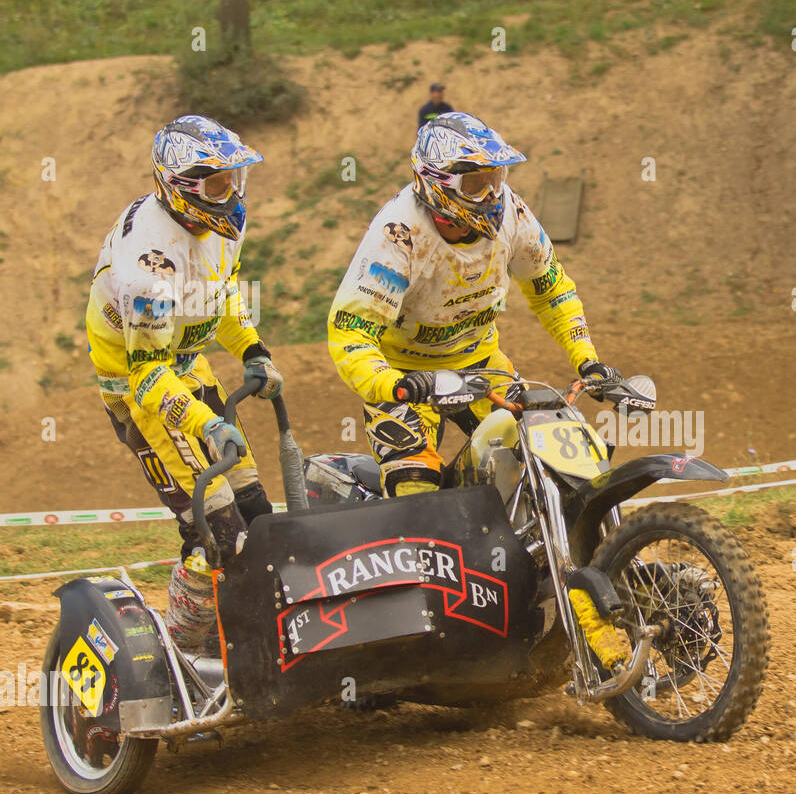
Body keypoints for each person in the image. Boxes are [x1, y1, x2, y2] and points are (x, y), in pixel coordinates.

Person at [326, 111, 624, 664]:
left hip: (480, 366)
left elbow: (551, 289)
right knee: (418, 497)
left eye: (496, 178)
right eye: (475, 183)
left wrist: (588, 359)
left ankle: (564, 594)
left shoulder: (512, 215)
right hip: (406, 378)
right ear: (437, 185)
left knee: (548, 460)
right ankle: (424, 645)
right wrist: (393, 386)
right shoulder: (398, 234)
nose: (490, 193)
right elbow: (350, 333)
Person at [85, 115, 284, 653]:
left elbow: (221, 289)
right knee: (217, 535)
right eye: (220, 183)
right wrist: (207, 422)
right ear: (182, 187)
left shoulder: (222, 226)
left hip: (187, 365)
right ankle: (182, 656)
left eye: (234, 179)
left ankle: (261, 644)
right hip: (140, 389)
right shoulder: (148, 270)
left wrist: (252, 349)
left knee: (259, 518)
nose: (233, 193)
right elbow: (148, 378)